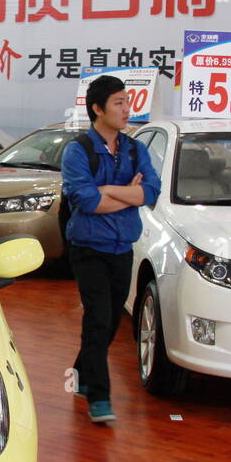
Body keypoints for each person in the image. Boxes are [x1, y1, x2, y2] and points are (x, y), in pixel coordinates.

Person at [60, 75, 161, 423]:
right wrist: (125, 193)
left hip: (122, 248)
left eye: (127, 101)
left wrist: (108, 189)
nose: (126, 109)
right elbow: (86, 201)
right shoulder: (78, 151)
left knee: (110, 321)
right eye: (118, 102)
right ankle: (100, 399)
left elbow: (151, 192)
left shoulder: (135, 149)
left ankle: (82, 374)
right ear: (97, 109)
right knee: (99, 318)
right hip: (88, 247)